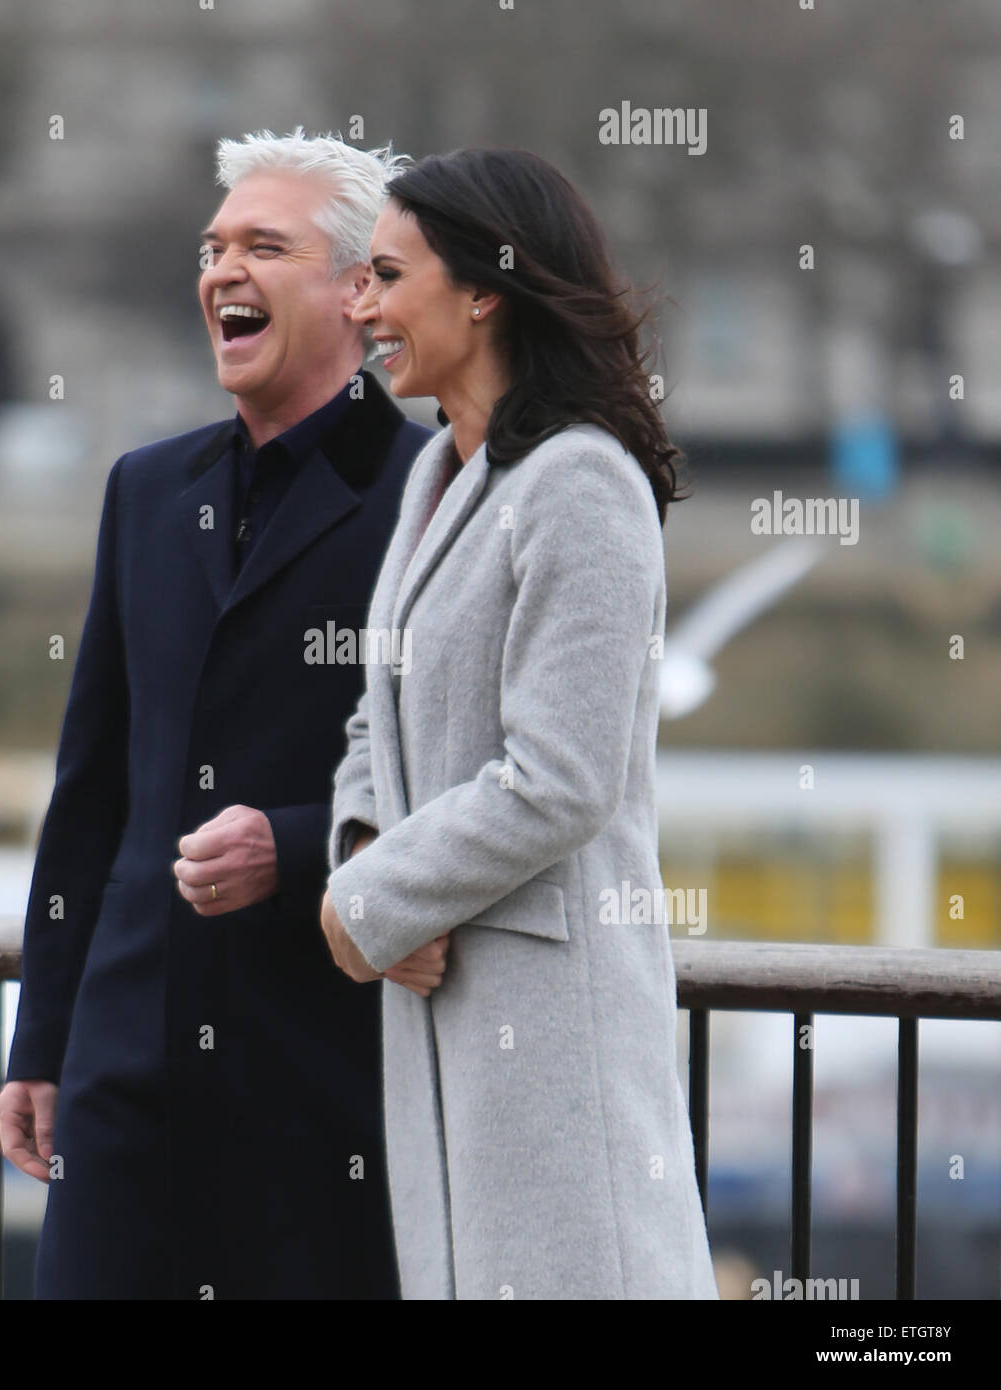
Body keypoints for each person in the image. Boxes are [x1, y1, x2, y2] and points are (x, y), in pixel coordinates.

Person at [0, 129, 435, 1299]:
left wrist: (292, 847)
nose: (221, 272)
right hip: (121, 1076)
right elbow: (90, 791)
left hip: (329, 1073)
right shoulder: (145, 488)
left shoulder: (431, 495)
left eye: (262, 246)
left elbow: (458, 781)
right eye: (211, 248)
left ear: (357, 287)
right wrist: (41, 1044)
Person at [320, 147, 721, 1299]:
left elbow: (562, 775)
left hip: (550, 1033)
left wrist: (373, 904)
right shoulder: (437, 474)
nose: (361, 305)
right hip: (443, 1016)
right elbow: (373, 715)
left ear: (484, 290)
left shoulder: (583, 483)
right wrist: (360, 853)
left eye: (387, 275)